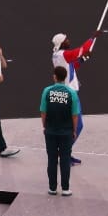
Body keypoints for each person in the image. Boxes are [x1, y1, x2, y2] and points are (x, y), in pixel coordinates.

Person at [51, 30, 97, 164]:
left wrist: (83, 59)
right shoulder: (63, 54)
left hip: (67, 93)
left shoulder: (58, 55)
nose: (68, 41)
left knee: (70, 126)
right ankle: (63, 153)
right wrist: (92, 38)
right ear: (61, 43)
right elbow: (81, 50)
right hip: (70, 95)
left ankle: (65, 152)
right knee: (77, 126)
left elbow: (72, 65)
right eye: (66, 40)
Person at [40, 65, 80, 196]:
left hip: (51, 131)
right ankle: (65, 188)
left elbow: (43, 112)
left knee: (51, 159)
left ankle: (52, 188)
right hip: (66, 132)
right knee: (64, 159)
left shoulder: (47, 91)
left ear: (55, 77)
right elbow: (74, 115)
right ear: (65, 78)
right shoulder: (72, 93)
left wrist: (45, 126)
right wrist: (74, 130)